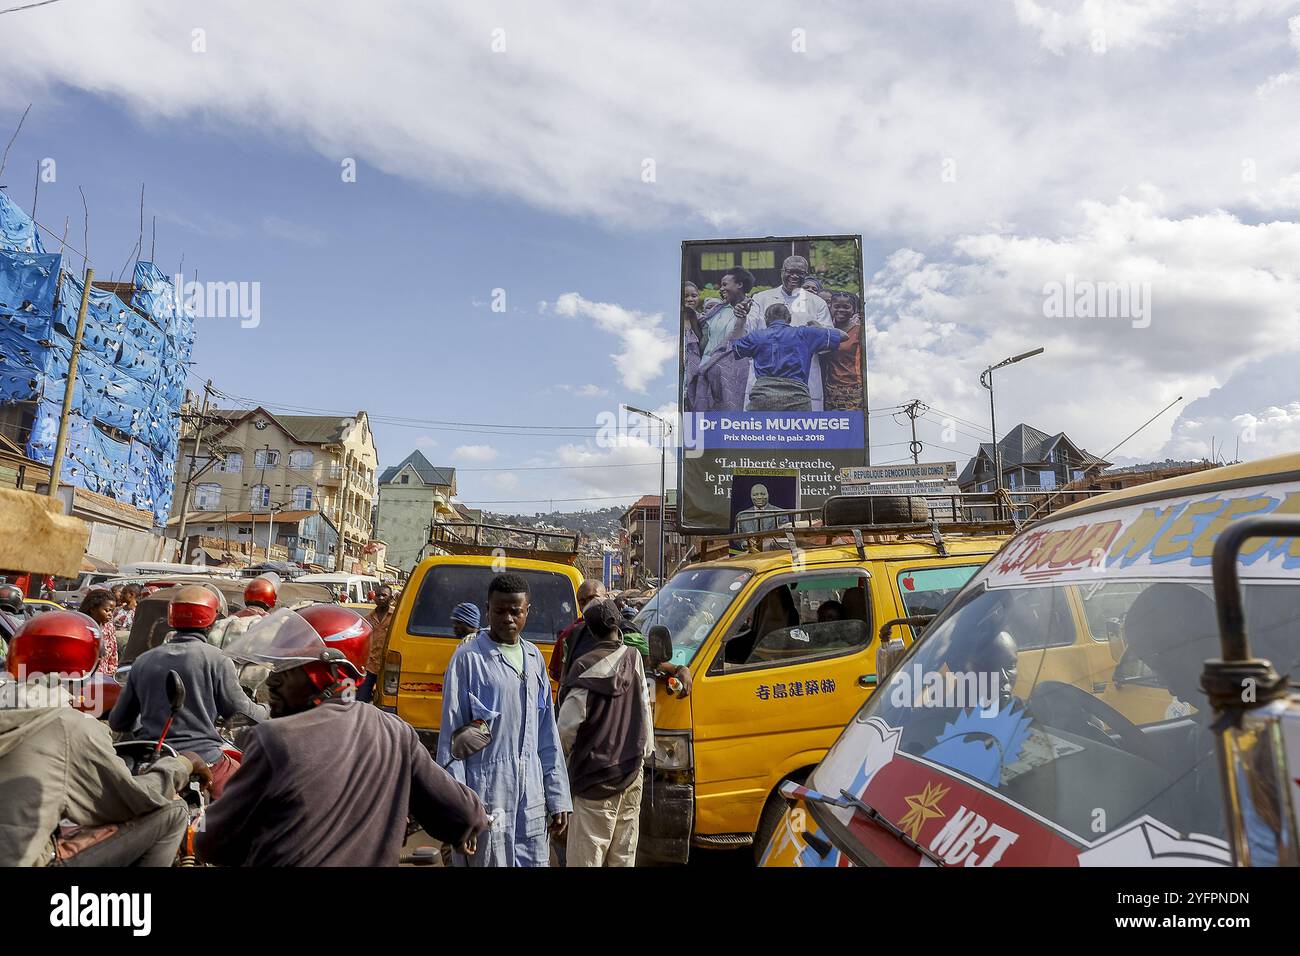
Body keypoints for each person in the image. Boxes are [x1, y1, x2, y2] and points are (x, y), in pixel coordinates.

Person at [197, 605, 490, 865]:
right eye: (275, 666)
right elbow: (465, 815)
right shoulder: (395, 732)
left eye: (289, 667)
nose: (273, 680)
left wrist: (201, 826)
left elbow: (213, 845)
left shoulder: (274, 739)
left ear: (333, 673)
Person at [0, 611, 210, 867]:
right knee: (173, 811)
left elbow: (120, 720)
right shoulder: (68, 726)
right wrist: (183, 764)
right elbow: (134, 799)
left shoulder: (13, 703)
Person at [438, 573, 571, 866]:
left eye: (516, 611)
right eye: (500, 611)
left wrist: (558, 795)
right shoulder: (468, 659)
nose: (508, 618)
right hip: (485, 795)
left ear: (527, 612)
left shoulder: (534, 658)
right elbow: (452, 743)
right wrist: (460, 811)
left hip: (532, 798)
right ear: (488, 610)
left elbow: (547, 735)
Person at [109, 585, 268, 799]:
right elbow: (240, 712)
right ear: (211, 620)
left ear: (172, 617)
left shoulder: (143, 661)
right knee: (249, 800)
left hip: (152, 760)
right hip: (207, 759)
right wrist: (267, 710)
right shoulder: (218, 660)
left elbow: (119, 722)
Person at [557, 598, 653, 867]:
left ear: (590, 632)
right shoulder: (633, 658)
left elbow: (565, 731)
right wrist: (643, 755)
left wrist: (557, 775)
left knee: (587, 859)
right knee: (623, 857)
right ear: (618, 626)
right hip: (632, 772)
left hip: (593, 779)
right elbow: (644, 708)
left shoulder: (582, 667)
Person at [744, 255, 834, 409]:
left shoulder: (817, 303)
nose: (795, 276)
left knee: (802, 429)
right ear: (782, 272)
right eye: (790, 271)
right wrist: (741, 316)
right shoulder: (761, 298)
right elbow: (748, 333)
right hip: (765, 379)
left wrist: (819, 331)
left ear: (805, 275)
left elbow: (828, 341)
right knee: (760, 428)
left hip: (802, 379)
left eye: (800, 273)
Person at [730, 302, 845, 412]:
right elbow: (844, 336)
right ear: (789, 319)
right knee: (797, 433)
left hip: (762, 397)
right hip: (797, 398)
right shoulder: (804, 333)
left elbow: (734, 347)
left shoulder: (756, 337)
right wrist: (819, 328)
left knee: (762, 432)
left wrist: (741, 319)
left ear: (766, 320)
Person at [686, 268, 756, 411]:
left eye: (725, 284)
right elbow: (700, 329)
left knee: (729, 421)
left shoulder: (755, 310)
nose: (722, 288)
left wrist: (742, 317)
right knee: (702, 423)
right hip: (705, 370)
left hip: (733, 373)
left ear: (739, 285)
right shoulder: (718, 309)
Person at [820, 292, 863, 410]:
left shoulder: (859, 331)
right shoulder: (826, 330)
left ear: (853, 309)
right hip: (830, 390)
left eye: (846, 307)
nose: (841, 310)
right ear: (830, 307)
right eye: (837, 306)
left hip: (853, 389)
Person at [358, 584, 396, 703]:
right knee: (361, 700)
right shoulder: (367, 619)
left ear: (391, 598)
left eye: (384, 595)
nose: (380, 598)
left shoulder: (397, 617)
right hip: (370, 666)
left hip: (388, 666)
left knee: (386, 703)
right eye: (378, 595)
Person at [79, 588, 119, 677]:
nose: (110, 614)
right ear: (92, 609)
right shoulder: (81, 628)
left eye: (112, 611)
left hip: (103, 679)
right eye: (107, 610)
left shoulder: (109, 628)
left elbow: (113, 655)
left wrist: (111, 674)